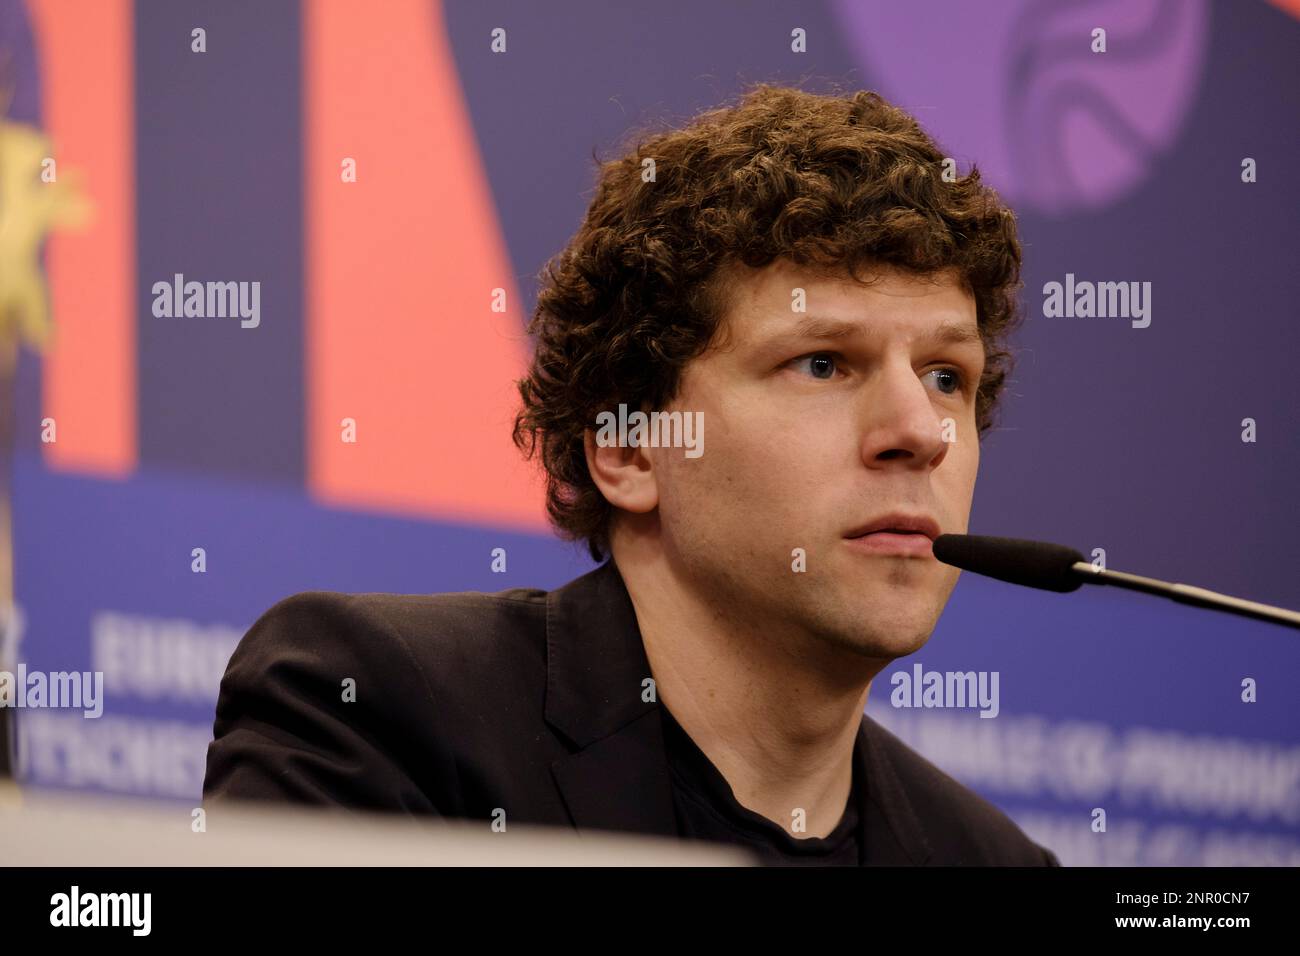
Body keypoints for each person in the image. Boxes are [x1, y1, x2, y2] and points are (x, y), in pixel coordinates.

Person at [204, 84, 1059, 866]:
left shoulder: (992, 863)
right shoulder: (385, 712)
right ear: (627, 447)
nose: (920, 431)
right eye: (824, 364)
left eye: (948, 376)